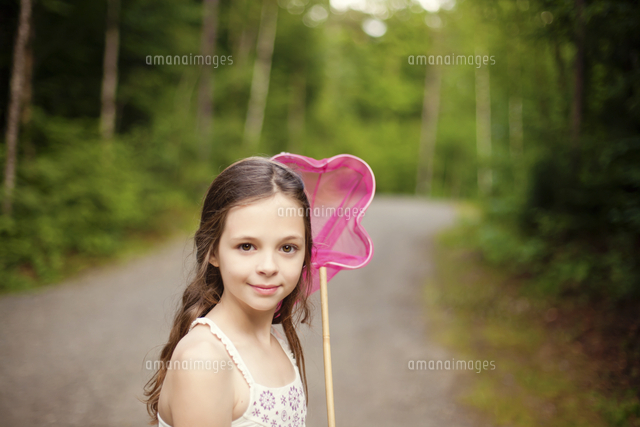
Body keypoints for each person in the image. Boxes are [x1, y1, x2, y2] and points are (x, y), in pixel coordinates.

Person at [143, 156, 314, 427]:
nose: (268, 267)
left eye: (287, 248)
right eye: (246, 246)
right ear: (213, 251)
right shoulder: (204, 361)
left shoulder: (276, 343)